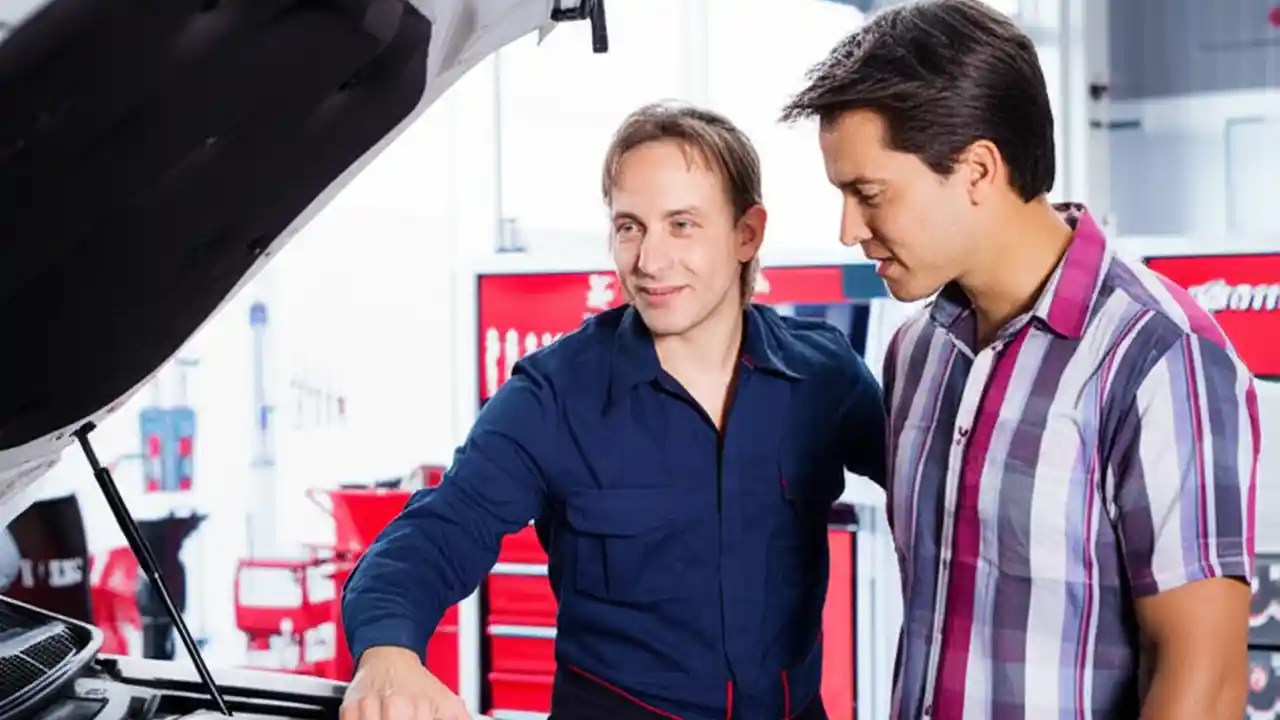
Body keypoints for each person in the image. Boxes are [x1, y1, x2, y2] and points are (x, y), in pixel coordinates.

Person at [780, 1, 1261, 718]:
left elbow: (1205, 686)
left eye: (869, 194)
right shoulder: (918, 352)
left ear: (977, 169)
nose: (849, 228)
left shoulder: (1159, 357)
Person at [339, 101, 887, 720]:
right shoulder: (553, 396)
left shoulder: (822, 377)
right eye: (630, 226)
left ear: (747, 234)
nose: (649, 262)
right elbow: (431, 536)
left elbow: (942, 490)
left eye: (682, 224)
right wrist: (388, 654)